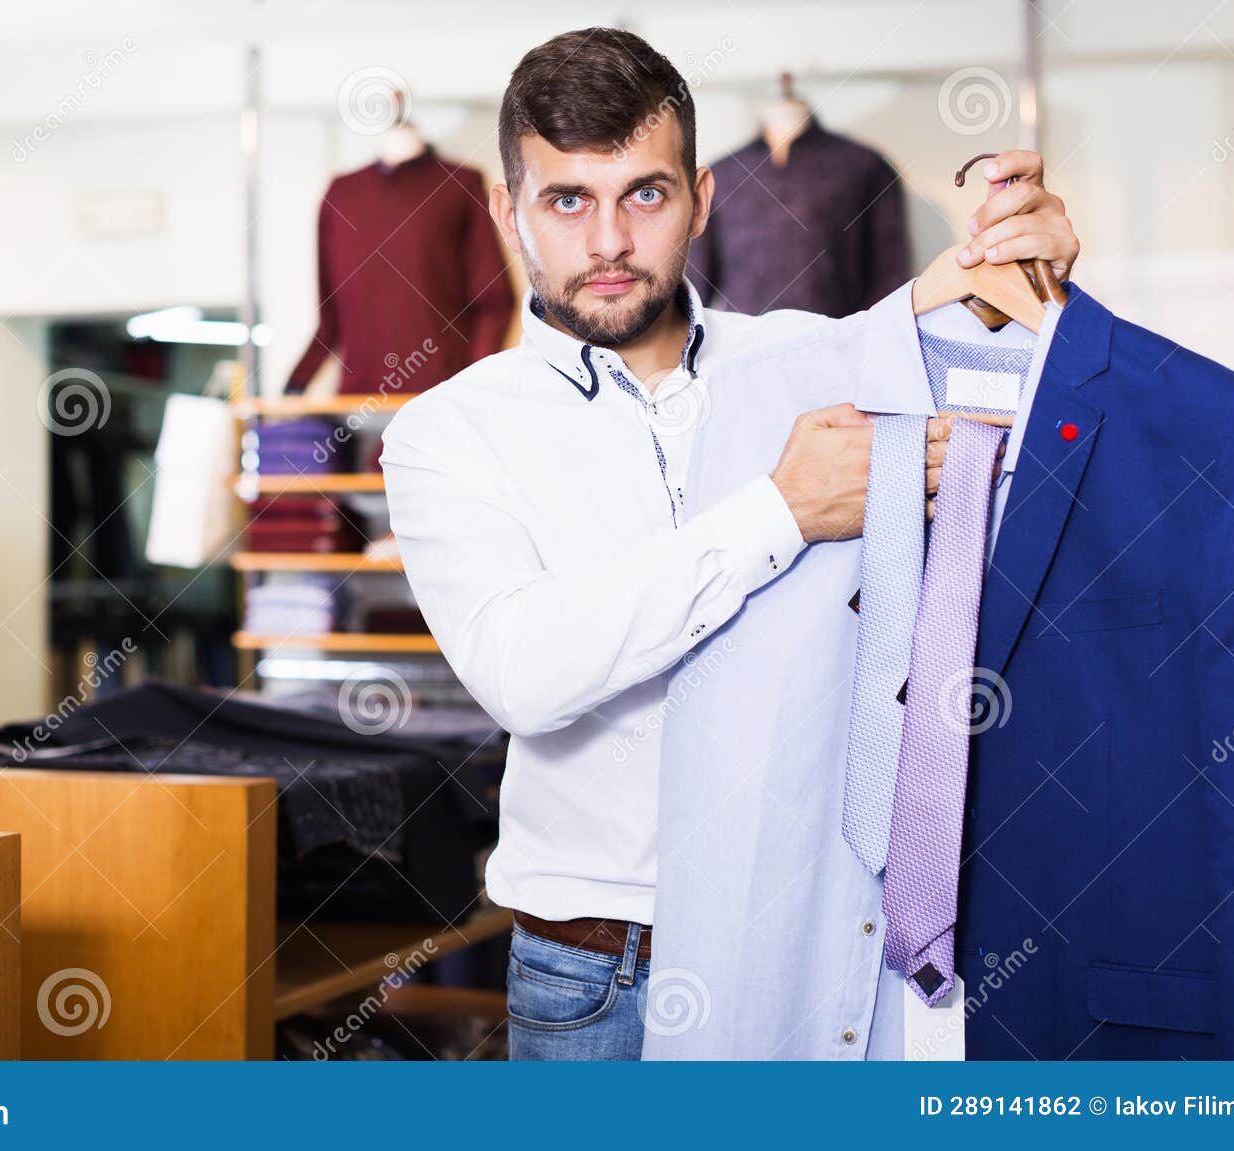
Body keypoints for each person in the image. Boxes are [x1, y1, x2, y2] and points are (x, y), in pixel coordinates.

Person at [379, 26, 1080, 1061]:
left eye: (645, 195)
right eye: (567, 200)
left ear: (702, 200)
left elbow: (1017, 469)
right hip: (600, 970)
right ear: (507, 210)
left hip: (809, 945)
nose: (608, 241)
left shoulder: (812, 358)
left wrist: (1042, 299)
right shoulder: (446, 430)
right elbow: (527, 672)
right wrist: (780, 510)